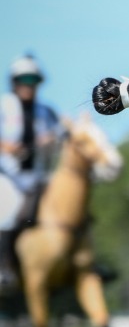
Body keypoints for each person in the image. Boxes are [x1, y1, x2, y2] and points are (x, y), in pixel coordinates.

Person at [0, 54, 62, 290]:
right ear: (14, 82)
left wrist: (52, 140)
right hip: (8, 175)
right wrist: (6, 146)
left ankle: (83, 261)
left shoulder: (46, 111)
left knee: (69, 205)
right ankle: (4, 267)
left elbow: (62, 134)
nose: (29, 85)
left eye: (33, 80)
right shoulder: (3, 106)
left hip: (38, 175)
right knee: (8, 211)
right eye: (24, 80)